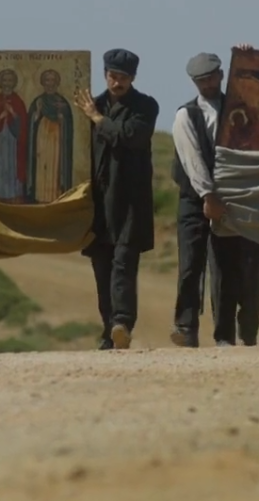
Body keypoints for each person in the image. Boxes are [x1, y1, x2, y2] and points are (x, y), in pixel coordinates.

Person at [74, 48, 159, 350]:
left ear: (132, 78)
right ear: (105, 74)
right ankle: (109, 328)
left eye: (123, 77)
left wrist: (97, 119)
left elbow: (130, 137)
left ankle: (123, 322)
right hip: (97, 202)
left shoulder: (145, 106)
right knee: (102, 267)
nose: (117, 82)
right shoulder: (90, 104)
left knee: (124, 264)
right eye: (112, 76)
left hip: (129, 201)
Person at [169, 52, 247, 348]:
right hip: (194, 199)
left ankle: (224, 334)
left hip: (230, 199)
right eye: (201, 81)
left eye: (211, 78)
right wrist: (207, 194)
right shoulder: (185, 115)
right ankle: (186, 326)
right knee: (191, 264)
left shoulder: (238, 110)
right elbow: (192, 160)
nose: (207, 84)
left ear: (221, 75)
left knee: (226, 268)